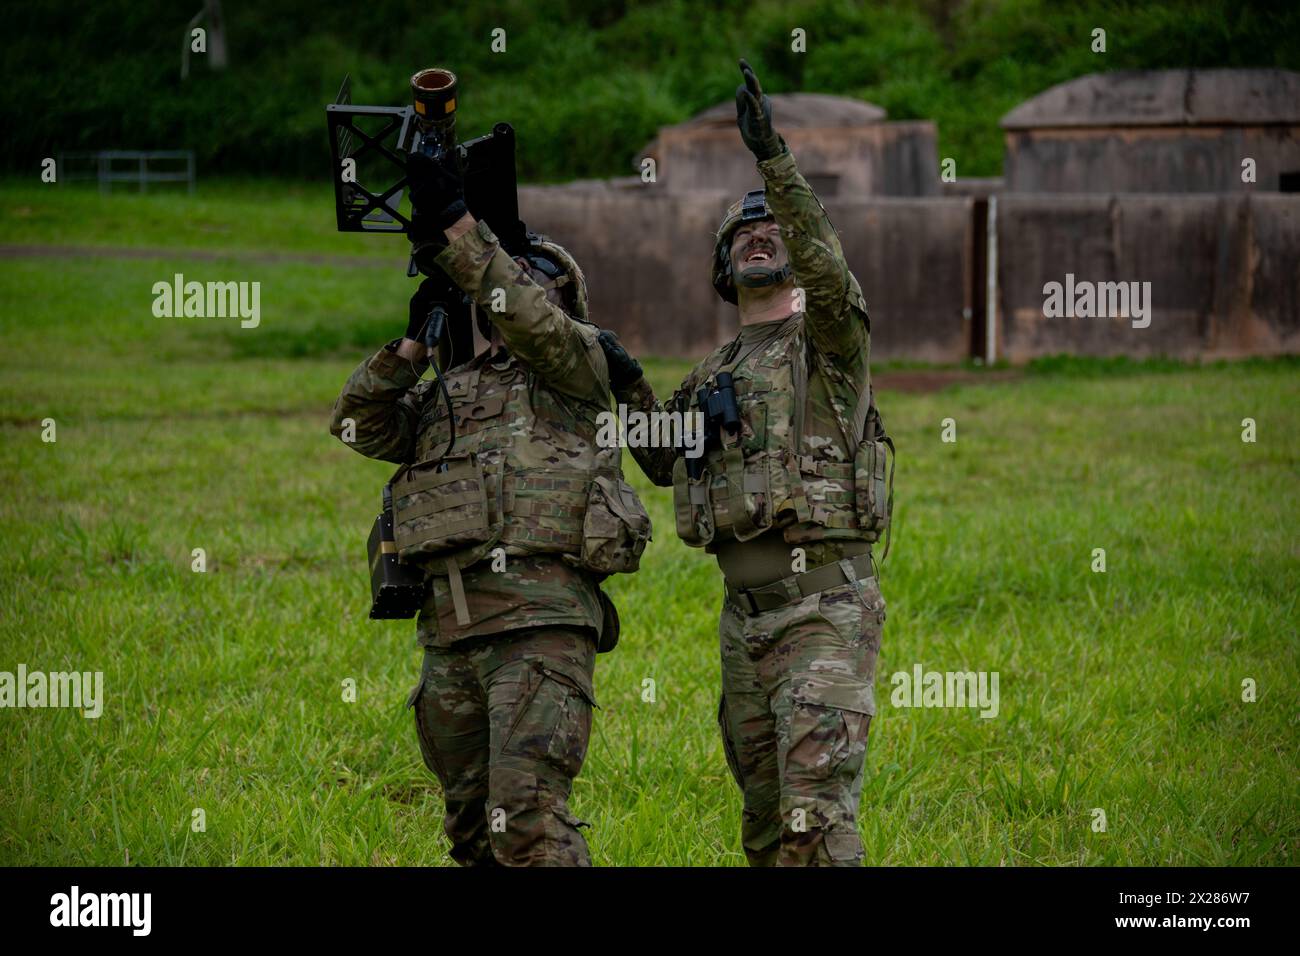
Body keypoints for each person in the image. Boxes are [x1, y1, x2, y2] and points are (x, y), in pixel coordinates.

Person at [598, 59, 893, 866]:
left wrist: (774, 162)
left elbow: (829, 275)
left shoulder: (828, 344)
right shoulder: (712, 373)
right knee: (766, 827)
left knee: (815, 819)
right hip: (744, 618)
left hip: (823, 607)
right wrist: (625, 382)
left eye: (774, 231)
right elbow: (661, 462)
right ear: (725, 270)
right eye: (741, 234)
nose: (759, 236)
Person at [330, 146, 649, 866]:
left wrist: (455, 224)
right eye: (510, 273)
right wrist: (413, 346)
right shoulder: (451, 391)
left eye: (539, 278)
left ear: (563, 301)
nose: (521, 285)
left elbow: (530, 319)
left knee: (527, 821)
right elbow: (356, 423)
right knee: (471, 834)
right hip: (449, 633)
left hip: (538, 626)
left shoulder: (579, 367)